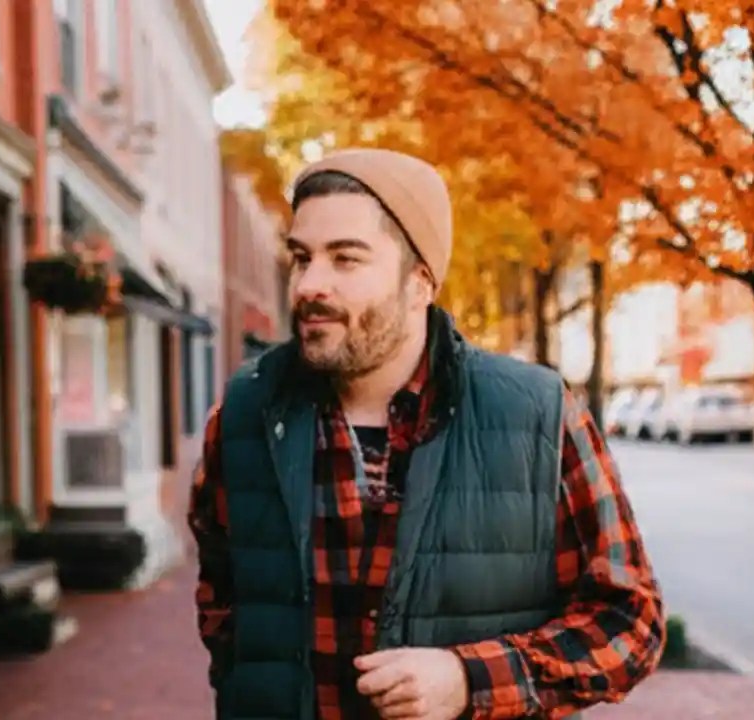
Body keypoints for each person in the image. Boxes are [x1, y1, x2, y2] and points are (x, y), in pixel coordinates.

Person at [189, 148, 665, 720]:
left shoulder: (538, 415)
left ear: (419, 285)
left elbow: (629, 623)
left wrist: (471, 680)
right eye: (301, 257)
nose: (310, 284)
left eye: (346, 260)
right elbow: (222, 602)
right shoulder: (244, 413)